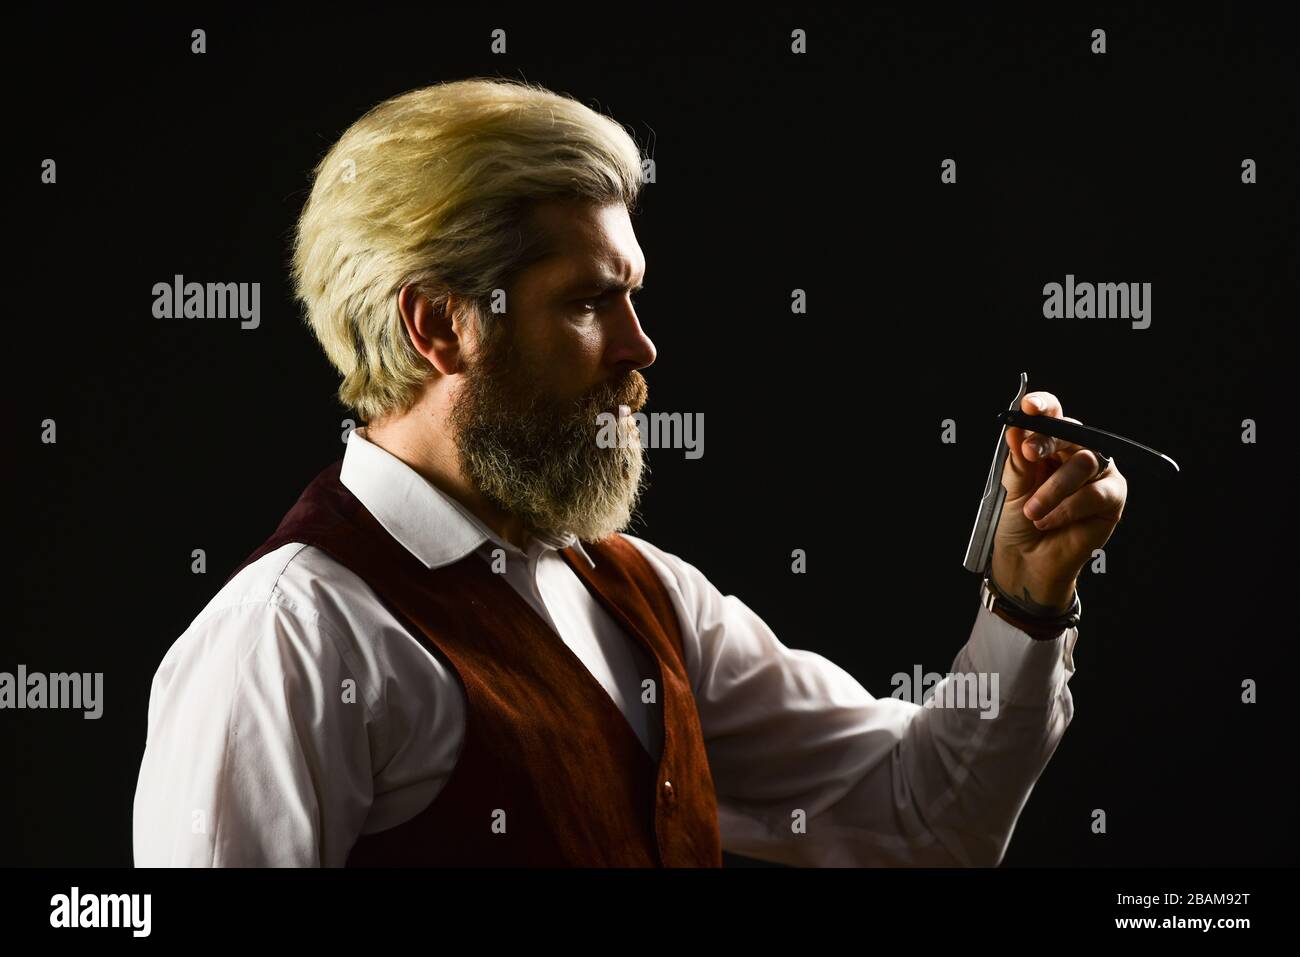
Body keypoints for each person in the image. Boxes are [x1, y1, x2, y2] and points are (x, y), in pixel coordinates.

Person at [131, 77, 1127, 867]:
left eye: (632, 297)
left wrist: (1024, 600)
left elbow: (920, 820)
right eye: (585, 303)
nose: (640, 348)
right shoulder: (290, 638)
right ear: (438, 324)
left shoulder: (634, 592)